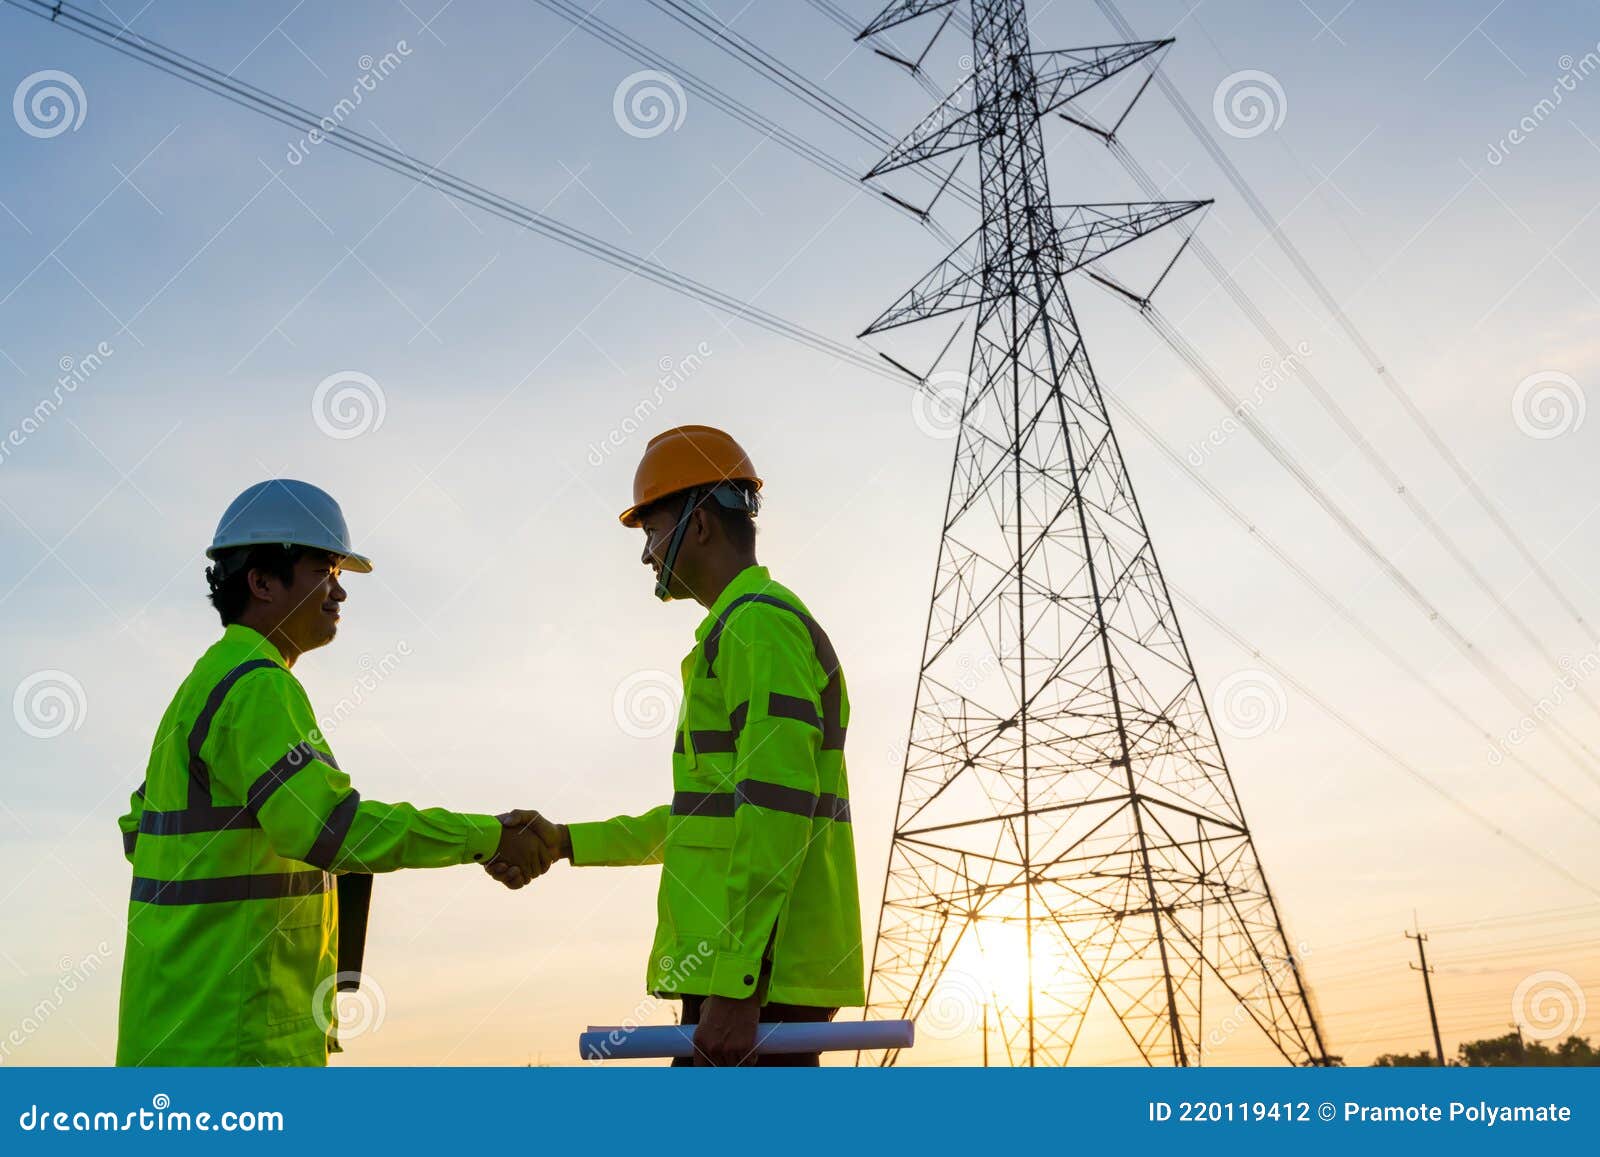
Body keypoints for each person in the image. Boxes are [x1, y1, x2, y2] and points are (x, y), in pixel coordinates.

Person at [116, 479, 551, 1066]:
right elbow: (331, 830)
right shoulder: (259, 688)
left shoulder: (202, 688)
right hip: (238, 1046)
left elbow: (140, 832)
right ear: (262, 582)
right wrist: (489, 836)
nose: (339, 593)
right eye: (324, 570)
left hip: (174, 1034)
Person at [491, 426, 864, 1065]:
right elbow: (704, 824)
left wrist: (739, 982)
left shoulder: (758, 629)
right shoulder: (737, 632)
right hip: (746, 976)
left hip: (757, 984)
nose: (645, 554)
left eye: (651, 531)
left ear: (698, 527)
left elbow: (776, 809)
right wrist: (565, 841)